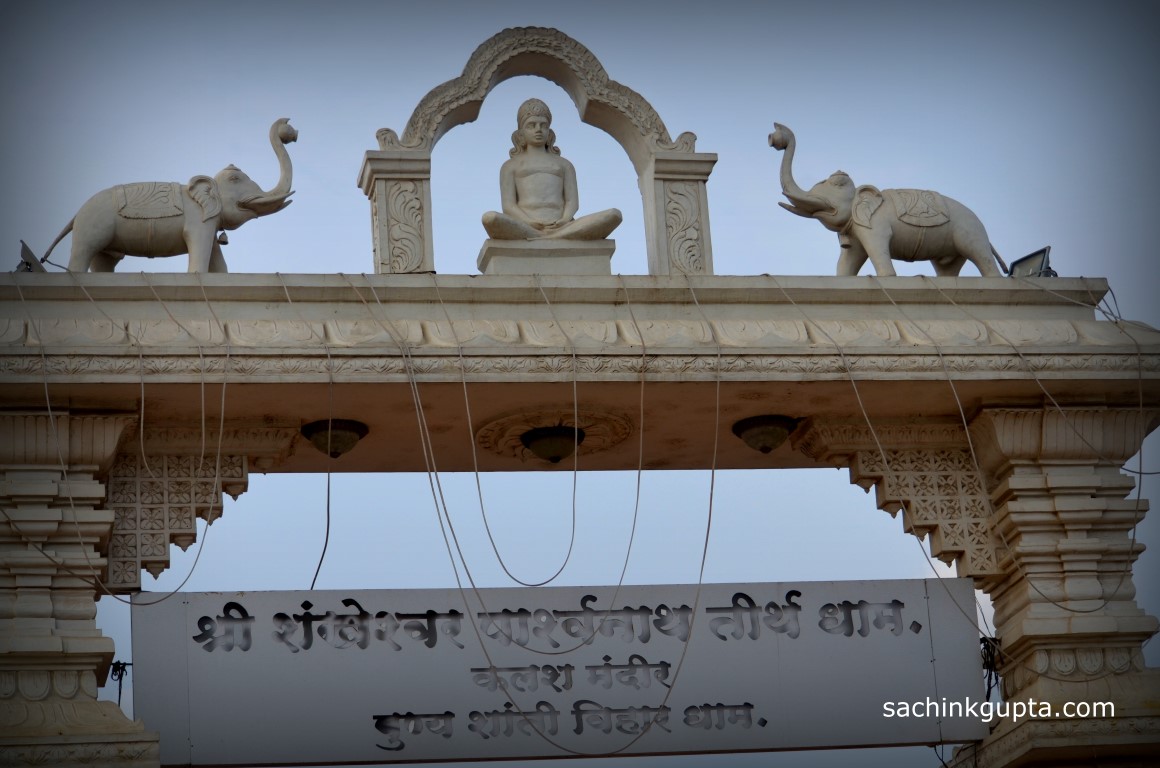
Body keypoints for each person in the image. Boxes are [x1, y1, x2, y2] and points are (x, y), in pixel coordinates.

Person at [482, 98, 621, 241]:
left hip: (563, 225)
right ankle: (550, 236)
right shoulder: (510, 166)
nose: (538, 130)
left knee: (614, 215)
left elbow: (572, 202)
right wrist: (529, 222)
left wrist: (565, 219)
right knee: (490, 218)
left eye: (543, 125)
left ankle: (551, 235)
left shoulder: (564, 164)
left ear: (549, 131)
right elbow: (508, 206)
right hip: (525, 225)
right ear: (521, 133)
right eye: (531, 125)